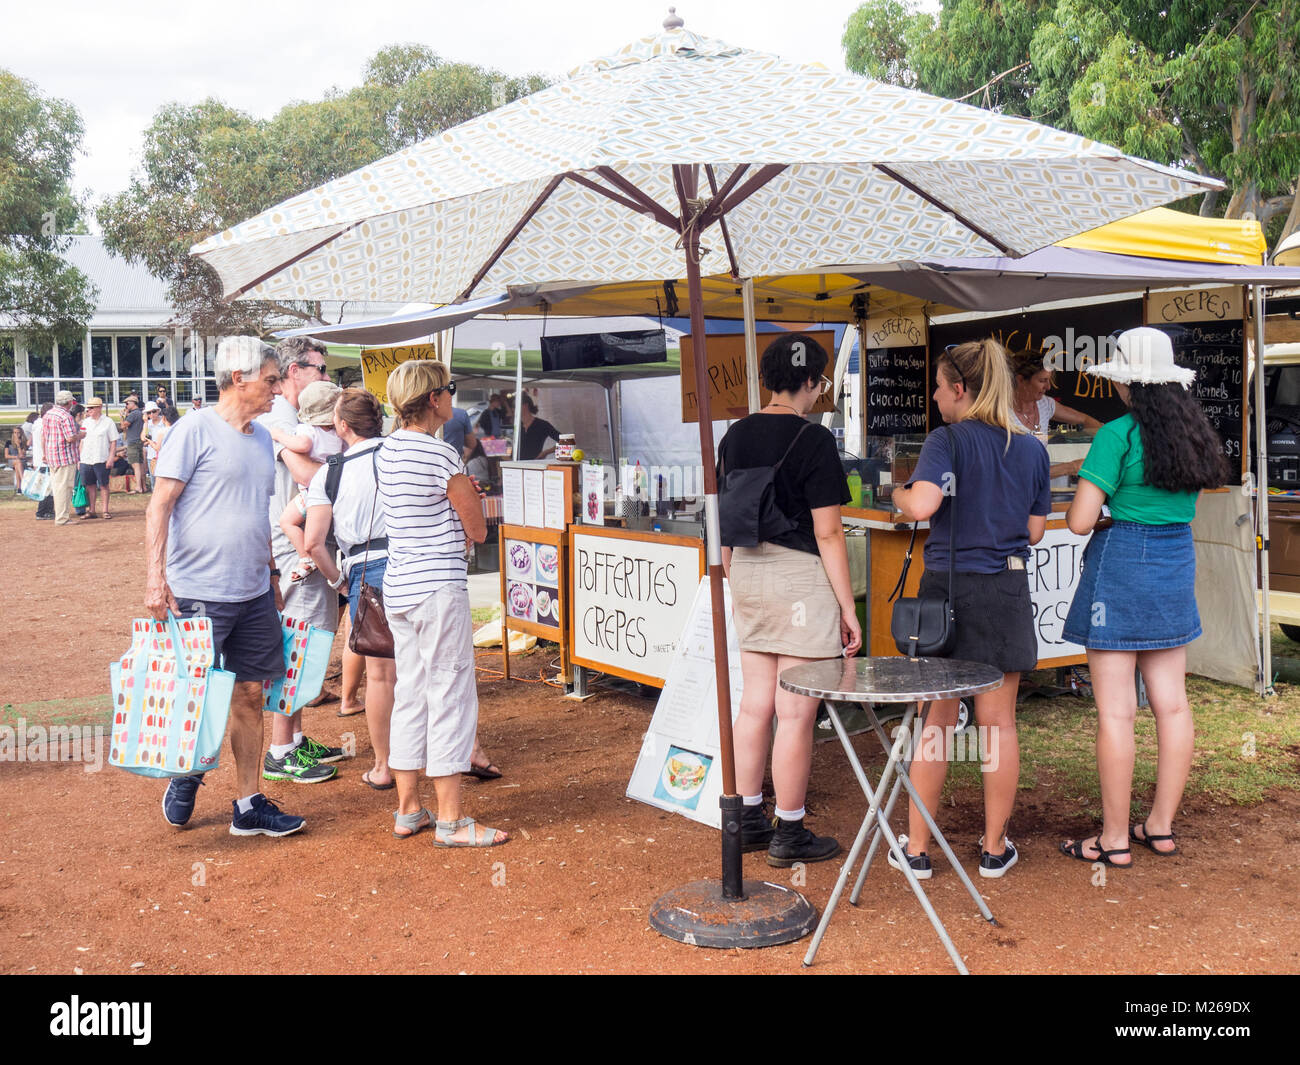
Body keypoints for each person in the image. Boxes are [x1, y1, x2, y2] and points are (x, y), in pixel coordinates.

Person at [1058, 328, 1227, 867]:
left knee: (1117, 713)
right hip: (1176, 565)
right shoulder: (1194, 433)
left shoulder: (1117, 436)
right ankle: (1160, 826)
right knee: (1172, 704)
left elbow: (1080, 521)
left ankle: (1113, 839)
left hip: (1122, 567)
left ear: (1129, 383)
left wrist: (1108, 511)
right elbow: (1185, 509)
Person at [890, 338, 1050, 880]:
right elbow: (1033, 530)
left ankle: (916, 849)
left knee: (935, 720)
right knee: (998, 724)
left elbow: (924, 504)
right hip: (1005, 590)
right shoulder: (1031, 448)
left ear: (960, 389)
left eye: (938, 386)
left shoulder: (946, 440)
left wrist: (900, 492)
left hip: (949, 591)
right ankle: (993, 847)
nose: (935, 397)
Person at [149, 336, 308, 837]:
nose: (277, 389)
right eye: (270, 379)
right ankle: (188, 769)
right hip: (198, 590)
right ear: (238, 379)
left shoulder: (263, 437)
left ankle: (248, 803)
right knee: (194, 695)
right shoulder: (192, 430)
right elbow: (160, 506)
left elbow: (259, 515)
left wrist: (274, 577)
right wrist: (155, 578)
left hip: (254, 590)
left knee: (249, 694)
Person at [718, 333, 862, 868]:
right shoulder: (816, 440)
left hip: (749, 571)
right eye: (822, 383)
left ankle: (748, 817)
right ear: (810, 382)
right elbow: (828, 534)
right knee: (796, 712)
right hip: (801, 576)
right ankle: (791, 831)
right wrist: (848, 609)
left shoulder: (734, 436)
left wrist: (735, 579)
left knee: (754, 705)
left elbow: (726, 523)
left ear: (765, 379)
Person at [375, 358, 507, 846]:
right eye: (448, 389)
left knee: (411, 693)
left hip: (402, 584)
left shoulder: (388, 450)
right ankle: (451, 820)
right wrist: (465, 504)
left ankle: (409, 808)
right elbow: (477, 528)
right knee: (450, 694)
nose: (453, 397)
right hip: (437, 585)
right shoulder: (440, 455)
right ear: (434, 400)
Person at [255, 337, 346, 783]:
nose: (326, 377)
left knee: (308, 639)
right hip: (294, 545)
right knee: (299, 638)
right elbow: (309, 476)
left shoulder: (297, 419)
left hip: (305, 539)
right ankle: (279, 751)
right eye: (320, 369)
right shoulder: (282, 419)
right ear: (296, 370)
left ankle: (293, 739)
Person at [302, 388, 396, 789]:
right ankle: (447, 751)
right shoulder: (400, 454)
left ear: (342, 426)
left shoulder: (331, 472)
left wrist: (338, 580)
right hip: (412, 562)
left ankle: (385, 765)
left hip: (363, 569)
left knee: (381, 674)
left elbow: (312, 542)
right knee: (426, 663)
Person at [269, 380, 343, 582]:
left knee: (287, 521)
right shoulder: (339, 435)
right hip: (332, 493)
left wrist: (278, 435)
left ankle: (305, 558)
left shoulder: (308, 430)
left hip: (311, 494)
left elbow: (302, 445)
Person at [1008, 348, 1101, 480]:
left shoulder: (1045, 405)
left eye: (1049, 380)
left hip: (1037, 491)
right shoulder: (1001, 415)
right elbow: (1017, 474)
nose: (1048, 387)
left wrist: (1108, 443)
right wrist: (1070, 467)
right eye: (1042, 381)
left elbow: (1085, 420)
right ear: (1020, 380)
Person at [42, 390, 84, 526]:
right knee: (64, 488)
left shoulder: (49, 414)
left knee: (58, 487)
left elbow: (44, 436)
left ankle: (61, 516)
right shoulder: (66, 417)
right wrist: (81, 435)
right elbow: (70, 438)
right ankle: (62, 518)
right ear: (69, 402)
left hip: (52, 456)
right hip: (65, 457)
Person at [78, 397, 120, 519]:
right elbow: (82, 441)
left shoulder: (108, 422)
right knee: (90, 485)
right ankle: (92, 510)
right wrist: (80, 459)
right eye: (88, 408)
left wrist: (111, 457)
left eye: (91, 408)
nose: (88, 410)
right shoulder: (86, 422)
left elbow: (113, 441)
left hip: (101, 458)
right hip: (86, 458)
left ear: (99, 408)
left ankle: (105, 510)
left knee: (103, 485)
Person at [516, 394, 559, 460]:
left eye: (516, 405)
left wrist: (546, 452)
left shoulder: (542, 424)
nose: (514, 408)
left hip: (535, 464)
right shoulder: (516, 426)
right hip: (515, 465)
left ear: (525, 405)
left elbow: (566, 441)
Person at [31, 403, 54, 520]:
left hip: (39, 460)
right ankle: (43, 511)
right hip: (45, 460)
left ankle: (46, 510)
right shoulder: (43, 424)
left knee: (45, 486)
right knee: (47, 487)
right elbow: (44, 441)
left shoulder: (36, 424)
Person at [120, 394, 147, 492]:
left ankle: (138, 487)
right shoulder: (140, 413)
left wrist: (122, 416)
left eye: (127, 404)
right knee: (140, 465)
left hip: (133, 442)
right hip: (139, 441)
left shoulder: (133, 414)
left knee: (136, 465)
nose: (126, 406)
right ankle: (143, 486)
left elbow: (123, 426)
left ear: (133, 403)